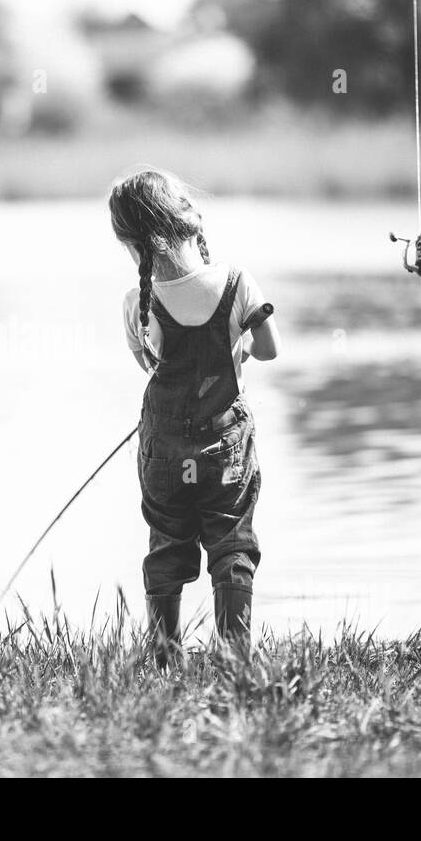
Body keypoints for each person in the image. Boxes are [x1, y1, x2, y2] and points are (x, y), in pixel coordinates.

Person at [109, 167, 281, 667]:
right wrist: (238, 347)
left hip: (163, 447)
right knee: (232, 542)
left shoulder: (134, 303)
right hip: (224, 442)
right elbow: (268, 350)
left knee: (166, 544)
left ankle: (164, 655)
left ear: (130, 241)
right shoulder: (237, 282)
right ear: (187, 221)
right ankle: (233, 656)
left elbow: (152, 367)